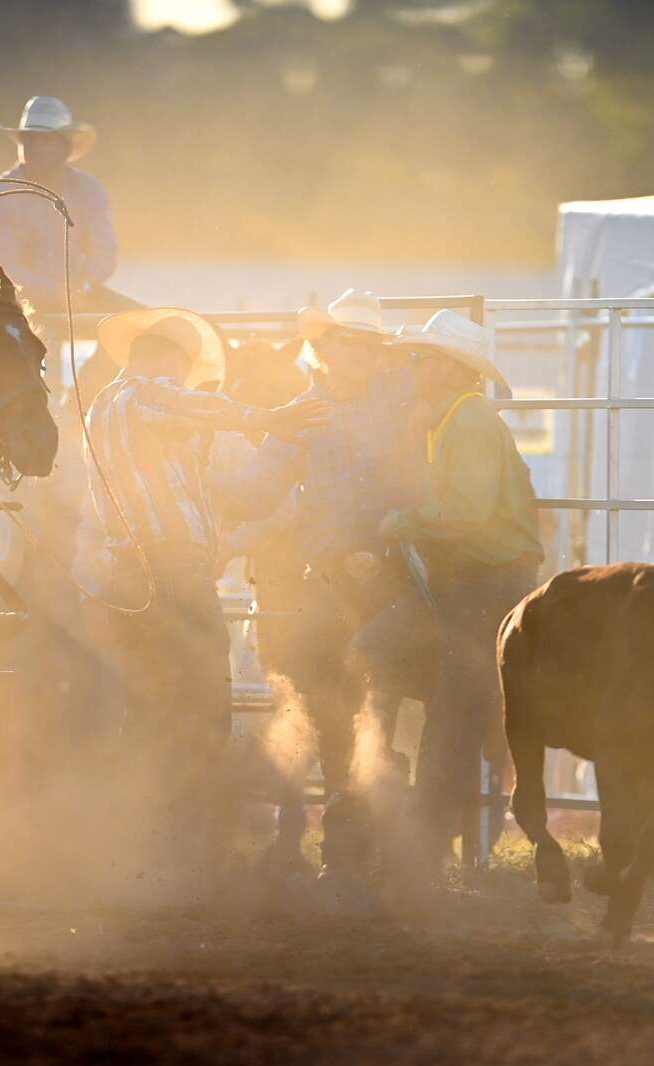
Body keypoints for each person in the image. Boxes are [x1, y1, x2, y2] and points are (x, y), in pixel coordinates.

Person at [86, 308, 326, 876]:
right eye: (181, 364)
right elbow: (190, 405)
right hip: (164, 576)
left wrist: (281, 438)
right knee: (194, 708)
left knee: (161, 707)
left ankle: (151, 841)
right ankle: (182, 844)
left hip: (145, 575)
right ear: (166, 360)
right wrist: (274, 416)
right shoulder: (141, 397)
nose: (183, 376)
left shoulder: (125, 413)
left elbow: (230, 491)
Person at [210, 289, 416, 887]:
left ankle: (375, 843)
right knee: (342, 712)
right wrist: (212, 463)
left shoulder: (396, 399)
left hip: (390, 576)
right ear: (323, 350)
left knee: (373, 709)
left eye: (367, 345)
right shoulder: (306, 413)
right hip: (337, 584)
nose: (357, 354)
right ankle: (352, 850)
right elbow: (253, 490)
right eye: (345, 343)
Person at [366, 310, 543, 874]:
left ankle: (422, 846)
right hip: (481, 582)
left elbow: (466, 512)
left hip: (483, 585)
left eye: (420, 358)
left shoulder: (465, 421)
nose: (411, 366)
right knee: (457, 707)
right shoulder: (457, 418)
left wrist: (405, 521)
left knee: (451, 713)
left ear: (446, 369)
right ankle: (436, 840)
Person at [0, 96, 128, 315]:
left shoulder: (89, 190)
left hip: (81, 295)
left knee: (146, 330)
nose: (34, 147)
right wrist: (58, 293)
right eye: (28, 140)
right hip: (14, 304)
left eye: (45, 140)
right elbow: (6, 268)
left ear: (66, 148)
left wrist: (82, 285)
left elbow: (104, 253)